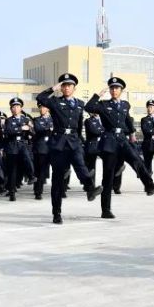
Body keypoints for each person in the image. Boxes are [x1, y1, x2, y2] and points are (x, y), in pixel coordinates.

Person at [85, 77, 154, 219]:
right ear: (110, 90)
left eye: (117, 88)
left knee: (137, 160)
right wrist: (97, 95)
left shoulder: (125, 105)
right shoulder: (103, 104)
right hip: (109, 142)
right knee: (108, 177)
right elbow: (88, 107)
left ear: (121, 90)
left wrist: (132, 133)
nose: (114, 90)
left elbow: (127, 118)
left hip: (123, 140)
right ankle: (105, 210)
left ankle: (149, 185)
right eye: (112, 88)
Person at [35, 74, 102, 224]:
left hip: (74, 141)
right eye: (64, 85)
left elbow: (79, 124)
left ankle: (89, 188)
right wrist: (53, 88)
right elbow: (40, 98)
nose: (66, 88)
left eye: (69, 85)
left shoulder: (79, 103)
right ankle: (56, 213)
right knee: (58, 180)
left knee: (80, 165)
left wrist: (80, 140)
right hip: (58, 144)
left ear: (74, 88)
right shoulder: (54, 102)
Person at [2, 97, 35, 202]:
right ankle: (12, 192)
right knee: (12, 171)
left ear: (21, 108)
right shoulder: (8, 120)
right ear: (11, 109)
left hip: (22, 144)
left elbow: (33, 133)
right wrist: (21, 128)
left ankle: (31, 176)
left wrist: (29, 128)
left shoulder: (26, 120)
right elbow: (8, 131)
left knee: (27, 159)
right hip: (12, 146)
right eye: (13, 107)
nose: (15, 108)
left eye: (17, 106)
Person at [32, 102, 53, 200]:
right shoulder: (36, 120)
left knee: (59, 170)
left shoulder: (54, 119)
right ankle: (38, 191)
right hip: (41, 149)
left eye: (44, 107)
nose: (41, 109)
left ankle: (61, 190)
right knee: (39, 171)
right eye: (40, 107)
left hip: (53, 148)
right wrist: (49, 129)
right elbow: (38, 129)